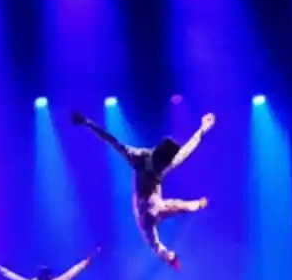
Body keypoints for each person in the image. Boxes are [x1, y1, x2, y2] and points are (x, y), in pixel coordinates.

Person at [72, 111, 215, 270]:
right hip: (144, 209)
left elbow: (186, 150)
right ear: (154, 158)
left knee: (177, 206)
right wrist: (87, 122)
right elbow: (112, 141)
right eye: (159, 167)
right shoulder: (137, 157)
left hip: (156, 202)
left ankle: (194, 207)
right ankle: (168, 256)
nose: (161, 170)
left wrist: (202, 129)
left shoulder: (165, 164)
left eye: (163, 167)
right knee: (154, 235)